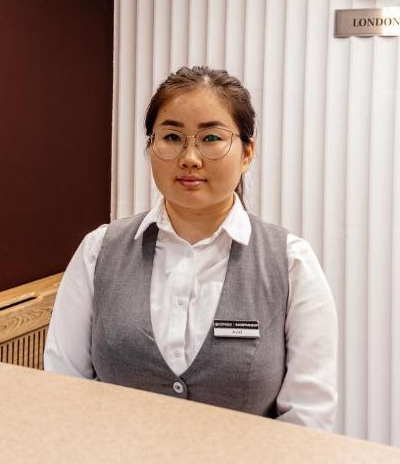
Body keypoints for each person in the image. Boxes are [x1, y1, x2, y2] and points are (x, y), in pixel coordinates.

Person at [44, 66, 338, 429]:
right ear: (151, 146)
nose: (190, 158)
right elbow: (63, 385)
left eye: (211, 138)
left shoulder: (291, 264)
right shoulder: (98, 250)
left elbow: (307, 418)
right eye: (172, 136)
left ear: (247, 153)